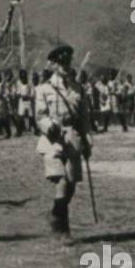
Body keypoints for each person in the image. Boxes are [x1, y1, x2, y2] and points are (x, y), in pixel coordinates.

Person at [34, 44, 93, 246]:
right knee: (61, 182)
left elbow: (84, 117)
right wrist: (49, 126)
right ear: (53, 65)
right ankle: (63, 229)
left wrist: (87, 140)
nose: (65, 66)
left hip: (74, 137)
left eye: (68, 62)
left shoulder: (78, 88)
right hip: (53, 140)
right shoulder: (44, 89)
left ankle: (55, 213)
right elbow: (40, 116)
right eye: (61, 63)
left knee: (71, 185)